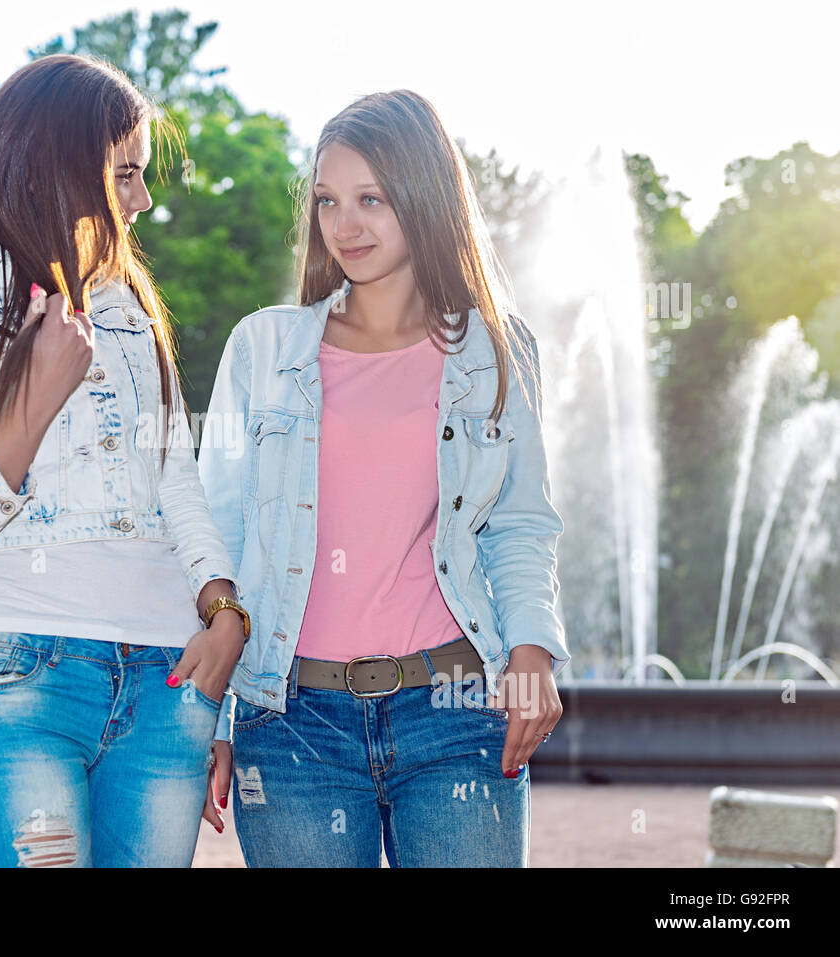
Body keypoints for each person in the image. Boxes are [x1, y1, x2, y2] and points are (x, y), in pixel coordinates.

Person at [0, 53, 249, 867]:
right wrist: (35, 399)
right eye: (125, 174)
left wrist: (225, 614)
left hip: (166, 685)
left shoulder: (127, 307)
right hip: (21, 682)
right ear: (52, 164)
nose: (143, 200)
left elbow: (177, 484)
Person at [197, 90, 569, 866]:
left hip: (456, 712)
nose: (345, 225)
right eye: (328, 200)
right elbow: (217, 535)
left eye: (372, 198)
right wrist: (208, 718)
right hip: (290, 723)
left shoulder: (497, 352)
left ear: (425, 197)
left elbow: (519, 523)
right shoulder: (263, 349)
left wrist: (532, 649)